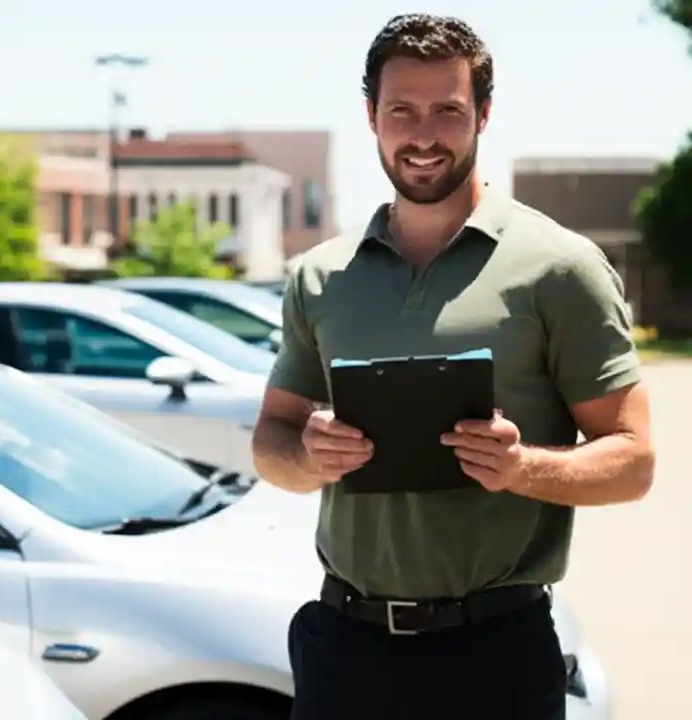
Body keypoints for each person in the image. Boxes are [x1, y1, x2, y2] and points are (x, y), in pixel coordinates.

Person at [252, 13, 656, 720]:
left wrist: (523, 468)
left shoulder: (560, 267)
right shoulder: (320, 276)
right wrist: (310, 456)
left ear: (485, 115)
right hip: (344, 652)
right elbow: (271, 446)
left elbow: (633, 459)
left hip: (493, 658)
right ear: (371, 116)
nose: (424, 135)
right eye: (402, 111)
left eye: (449, 111)